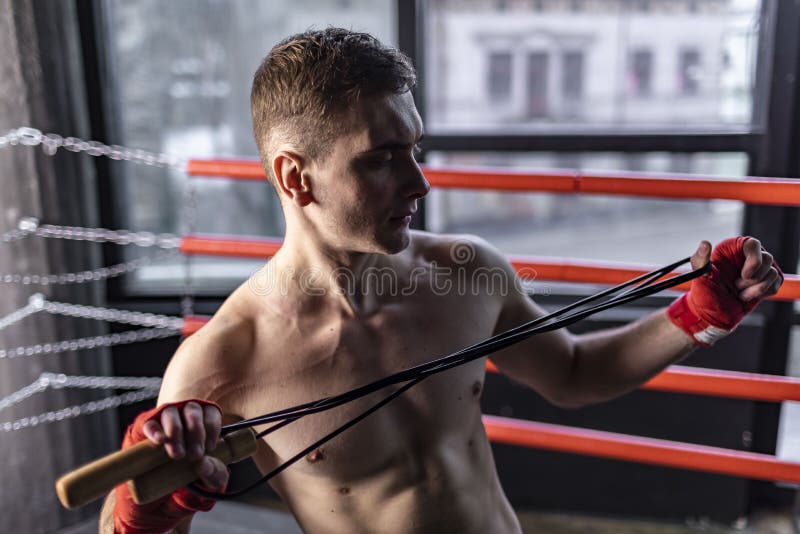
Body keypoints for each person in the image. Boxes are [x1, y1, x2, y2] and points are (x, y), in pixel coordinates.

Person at [100, 28, 784, 533]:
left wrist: (696, 316)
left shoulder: (468, 273)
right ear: (294, 177)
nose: (420, 182)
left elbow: (574, 374)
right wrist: (146, 500)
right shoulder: (227, 356)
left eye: (416, 149)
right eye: (382, 159)